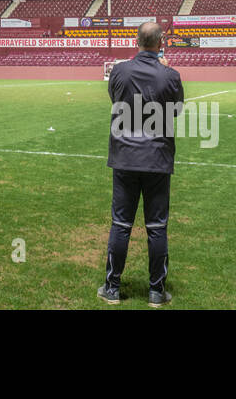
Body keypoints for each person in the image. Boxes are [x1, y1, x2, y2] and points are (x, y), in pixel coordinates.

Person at [97, 20, 184, 307]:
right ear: (161, 43)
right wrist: (165, 72)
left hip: (124, 157)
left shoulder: (119, 70)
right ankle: (156, 292)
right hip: (157, 160)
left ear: (137, 41)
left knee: (121, 224)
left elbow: (115, 97)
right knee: (156, 227)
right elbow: (177, 111)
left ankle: (112, 289)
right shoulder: (170, 75)